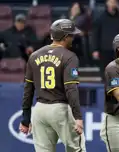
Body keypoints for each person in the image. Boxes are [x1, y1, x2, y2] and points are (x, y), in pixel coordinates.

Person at [19, 19, 86, 152]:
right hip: (60, 109)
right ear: (65, 37)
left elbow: (28, 90)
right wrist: (78, 117)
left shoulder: (34, 55)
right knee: (76, 149)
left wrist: (25, 118)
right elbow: (71, 89)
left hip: (40, 110)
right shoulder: (69, 56)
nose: (73, 38)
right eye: (71, 35)